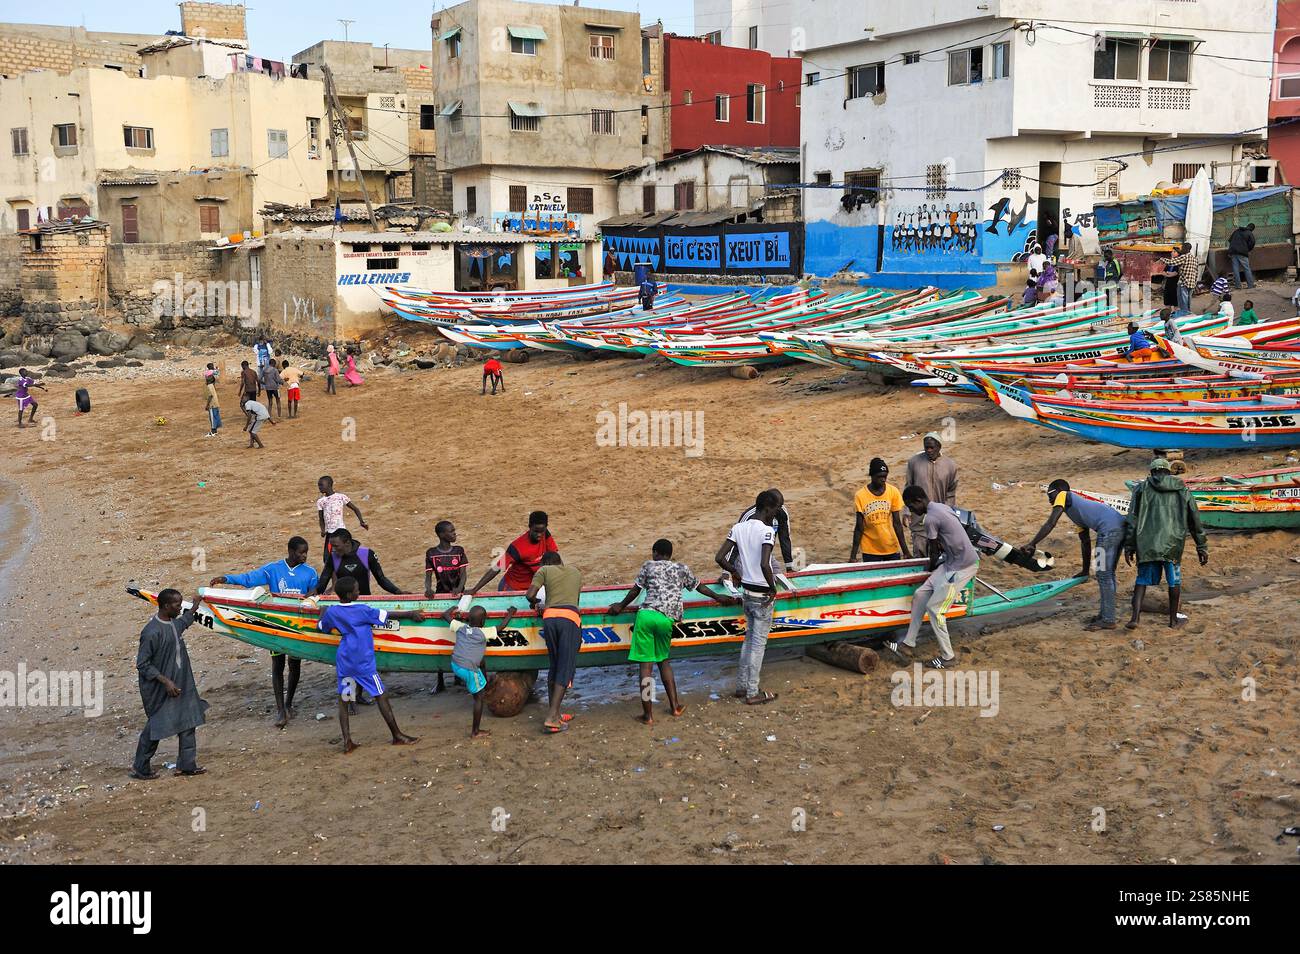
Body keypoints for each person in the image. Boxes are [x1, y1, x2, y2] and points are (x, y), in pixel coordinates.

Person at [607, 538, 737, 724]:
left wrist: (620, 606)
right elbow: (699, 586)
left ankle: (648, 715)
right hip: (666, 620)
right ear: (670, 555)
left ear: (655, 553)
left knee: (646, 668)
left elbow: (635, 591)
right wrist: (718, 597)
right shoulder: (681, 568)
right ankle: (675, 706)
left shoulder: (648, 566)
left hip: (647, 616)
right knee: (664, 662)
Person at [209, 536, 320, 728]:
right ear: (291, 551)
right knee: (277, 665)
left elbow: (316, 594)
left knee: (295, 665)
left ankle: (289, 703)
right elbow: (249, 579)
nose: (304, 556)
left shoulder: (310, 572)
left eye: (306, 552)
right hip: (275, 627)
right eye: (301, 552)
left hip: (298, 627)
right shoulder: (273, 569)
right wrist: (226, 579)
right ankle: (280, 710)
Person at [318, 575, 427, 753]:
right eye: (356, 590)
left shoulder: (333, 611)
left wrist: (322, 611)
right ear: (349, 595)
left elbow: (321, 627)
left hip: (345, 661)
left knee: (344, 700)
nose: (359, 592)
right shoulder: (362, 609)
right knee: (381, 695)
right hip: (363, 662)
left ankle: (347, 742)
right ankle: (397, 735)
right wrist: (410, 614)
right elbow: (386, 614)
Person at [884, 486, 980, 670]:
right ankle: (908, 645)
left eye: (911, 507)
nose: (912, 511)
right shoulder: (940, 506)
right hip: (952, 562)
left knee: (935, 609)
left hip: (963, 567)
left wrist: (929, 568)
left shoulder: (931, 519)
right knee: (921, 595)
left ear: (919, 501)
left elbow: (934, 551)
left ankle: (948, 656)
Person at [1020, 480, 1126, 631]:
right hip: (1117, 528)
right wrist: (1084, 571)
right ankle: (1105, 614)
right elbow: (1085, 542)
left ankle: (1108, 619)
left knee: (1103, 574)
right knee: (1107, 574)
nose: (1049, 499)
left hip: (1109, 531)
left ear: (1059, 491)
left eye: (1050, 494)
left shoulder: (1064, 494)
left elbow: (1051, 523)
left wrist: (1032, 543)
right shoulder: (1077, 511)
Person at [131, 589, 208, 779]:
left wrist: (196, 604)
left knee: (189, 720)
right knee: (156, 726)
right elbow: (142, 664)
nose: (180, 607)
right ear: (166, 606)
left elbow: (185, 622)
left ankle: (186, 765)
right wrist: (165, 682)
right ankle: (140, 767)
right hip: (161, 690)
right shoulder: (151, 632)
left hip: (182, 683)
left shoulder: (173, 624)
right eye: (177, 604)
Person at [1123, 458, 1209, 630]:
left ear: (1152, 472)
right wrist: (1201, 546)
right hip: (1173, 543)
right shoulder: (1181, 489)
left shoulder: (1141, 488)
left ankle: (1135, 618)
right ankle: (1173, 620)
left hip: (1147, 543)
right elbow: (1194, 518)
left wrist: (1130, 546)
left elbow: (1132, 519)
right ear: (1168, 472)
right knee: (1174, 582)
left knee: (1142, 580)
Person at [716, 490, 779, 705]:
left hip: (747, 592)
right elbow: (764, 564)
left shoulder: (738, 528)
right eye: (777, 508)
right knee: (758, 645)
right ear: (768, 508)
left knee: (749, 639)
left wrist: (736, 573)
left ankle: (742, 687)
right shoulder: (767, 531)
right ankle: (752, 692)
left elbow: (719, 557)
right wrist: (773, 588)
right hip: (762, 593)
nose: (778, 512)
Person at [439, 603, 517, 737]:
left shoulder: (461, 627)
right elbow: (502, 626)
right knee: (479, 698)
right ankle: (475, 731)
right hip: (468, 668)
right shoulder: (483, 632)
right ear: (483, 621)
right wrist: (510, 613)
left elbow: (445, 615)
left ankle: (482, 683)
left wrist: (453, 609)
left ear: (468, 619)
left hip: (455, 664)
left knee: (480, 664)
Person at [527, 551, 583, 733]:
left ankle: (555, 713)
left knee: (555, 665)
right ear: (561, 561)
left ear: (544, 563)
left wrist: (535, 602)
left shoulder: (543, 570)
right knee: (565, 667)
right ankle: (552, 717)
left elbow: (530, 595)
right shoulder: (575, 572)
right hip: (570, 618)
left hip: (550, 618)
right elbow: (575, 601)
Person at [468, 511, 557, 593]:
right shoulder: (517, 547)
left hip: (533, 587)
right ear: (529, 527)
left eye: (542, 531)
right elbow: (497, 568)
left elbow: (555, 558)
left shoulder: (546, 535)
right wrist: (475, 589)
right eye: (536, 531)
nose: (539, 535)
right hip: (513, 588)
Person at [904, 433, 958, 557]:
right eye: (926, 447)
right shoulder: (914, 462)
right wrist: (907, 510)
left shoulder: (950, 466)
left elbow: (951, 493)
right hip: (919, 519)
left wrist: (946, 511)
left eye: (931, 447)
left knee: (939, 554)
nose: (928, 450)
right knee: (920, 551)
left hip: (940, 519)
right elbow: (908, 487)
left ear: (939, 447)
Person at [851, 458, 910, 562]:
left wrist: (906, 551)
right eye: (879, 477)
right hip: (870, 549)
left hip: (891, 546)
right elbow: (859, 527)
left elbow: (897, 524)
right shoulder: (860, 495)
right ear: (872, 476)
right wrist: (853, 556)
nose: (883, 479)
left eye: (885, 476)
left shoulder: (893, 492)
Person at [317, 528, 404, 596]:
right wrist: (313, 594)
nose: (333, 549)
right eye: (331, 546)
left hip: (365, 601)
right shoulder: (332, 557)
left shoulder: (367, 554)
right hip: (344, 605)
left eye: (336, 546)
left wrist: (398, 592)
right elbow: (323, 582)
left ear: (347, 543)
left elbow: (381, 579)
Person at [316, 475, 368, 573]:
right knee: (327, 558)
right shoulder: (320, 502)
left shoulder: (341, 497)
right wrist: (322, 530)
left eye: (321, 485)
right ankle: (336, 576)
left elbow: (355, 509)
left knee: (346, 553)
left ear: (330, 484)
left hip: (341, 532)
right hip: (330, 534)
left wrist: (361, 521)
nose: (319, 487)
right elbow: (321, 518)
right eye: (319, 486)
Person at [738, 488, 794, 574]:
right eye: (778, 506)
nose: (780, 509)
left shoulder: (781, 512)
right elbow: (734, 542)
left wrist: (789, 566)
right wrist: (726, 572)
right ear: (768, 506)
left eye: (781, 506)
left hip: (766, 556)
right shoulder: (749, 516)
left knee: (777, 575)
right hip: (745, 557)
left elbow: (785, 538)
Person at [424, 520, 468, 597]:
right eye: (451, 531)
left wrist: (459, 589)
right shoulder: (431, 553)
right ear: (441, 535)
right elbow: (428, 576)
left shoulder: (459, 551)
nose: (455, 533)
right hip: (441, 593)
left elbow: (463, 574)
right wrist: (428, 589)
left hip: (459, 593)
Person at [1167, 242, 1199, 315]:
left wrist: (1161, 259)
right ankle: (1188, 314)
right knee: (1188, 301)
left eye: (1182, 248)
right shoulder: (1195, 258)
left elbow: (1171, 262)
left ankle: (1185, 315)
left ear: (1185, 248)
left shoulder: (1184, 257)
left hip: (1183, 283)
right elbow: (1196, 272)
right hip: (1191, 283)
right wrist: (1195, 283)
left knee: (1182, 302)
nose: (1181, 249)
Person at [1227, 222, 1256, 289]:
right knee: (1246, 268)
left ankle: (1238, 286)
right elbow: (1252, 243)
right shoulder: (1249, 233)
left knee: (1235, 269)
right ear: (1252, 229)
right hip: (1242, 253)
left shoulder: (1236, 231)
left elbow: (1230, 240)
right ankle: (1250, 285)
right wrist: (1247, 249)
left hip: (1233, 252)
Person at [203, 365, 221, 437]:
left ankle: (213, 432)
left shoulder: (209, 386)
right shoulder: (212, 386)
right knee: (216, 416)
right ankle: (215, 431)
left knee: (212, 418)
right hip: (216, 403)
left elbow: (210, 396)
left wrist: (207, 405)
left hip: (212, 404)